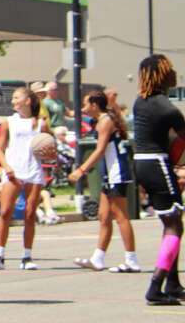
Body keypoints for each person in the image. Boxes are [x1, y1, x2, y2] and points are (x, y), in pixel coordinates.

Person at [132, 53, 185, 305]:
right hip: (158, 163)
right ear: (163, 75)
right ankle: (156, 286)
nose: (175, 74)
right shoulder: (167, 107)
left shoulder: (139, 102)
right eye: (171, 70)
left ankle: (173, 285)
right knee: (175, 225)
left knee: (169, 223)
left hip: (142, 163)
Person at [69, 90, 139, 273]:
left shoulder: (106, 121)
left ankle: (132, 260)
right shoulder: (102, 120)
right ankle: (97, 259)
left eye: (86, 105)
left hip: (117, 173)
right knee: (103, 216)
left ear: (94, 105)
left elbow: (99, 150)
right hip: (108, 175)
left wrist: (81, 170)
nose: (83, 108)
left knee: (121, 217)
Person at [0, 86, 48, 270]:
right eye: (13, 98)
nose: (13, 101)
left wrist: (50, 154)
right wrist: (7, 167)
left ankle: (27, 256)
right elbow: (0, 150)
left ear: (27, 100)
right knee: (5, 212)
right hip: (13, 170)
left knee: (29, 214)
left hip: (33, 170)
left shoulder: (39, 124)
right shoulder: (8, 122)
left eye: (16, 97)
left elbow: (50, 151)